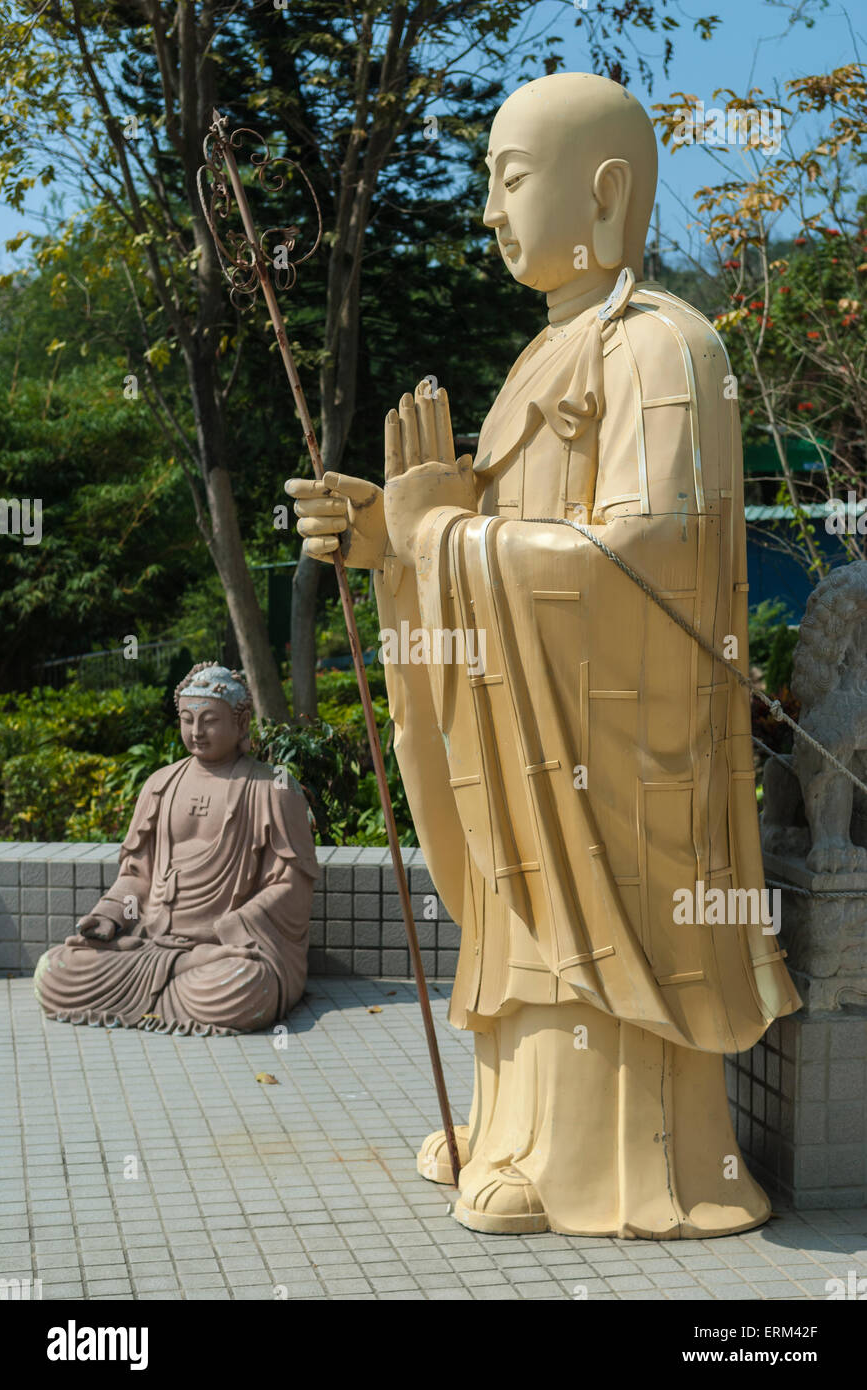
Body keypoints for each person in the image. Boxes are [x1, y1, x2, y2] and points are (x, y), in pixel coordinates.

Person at [286, 73, 800, 1237]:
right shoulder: (539, 360)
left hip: (613, 743)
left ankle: (618, 1166)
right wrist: (394, 540)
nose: (487, 210)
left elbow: (651, 551)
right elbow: (487, 532)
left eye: (508, 178)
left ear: (605, 192)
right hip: (526, 726)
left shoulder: (667, 346)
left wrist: (447, 539)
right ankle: (517, 1129)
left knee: (589, 938)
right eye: (485, 182)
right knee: (520, 929)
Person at [34, 663, 318, 1036]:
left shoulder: (273, 788)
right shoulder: (159, 785)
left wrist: (235, 926)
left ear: (242, 722)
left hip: (226, 950)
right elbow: (138, 875)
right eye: (187, 719)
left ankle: (191, 966)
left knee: (245, 984)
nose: (196, 732)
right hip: (149, 943)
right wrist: (111, 914)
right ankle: (179, 970)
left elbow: (293, 884)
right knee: (56, 970)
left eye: (210, 721)